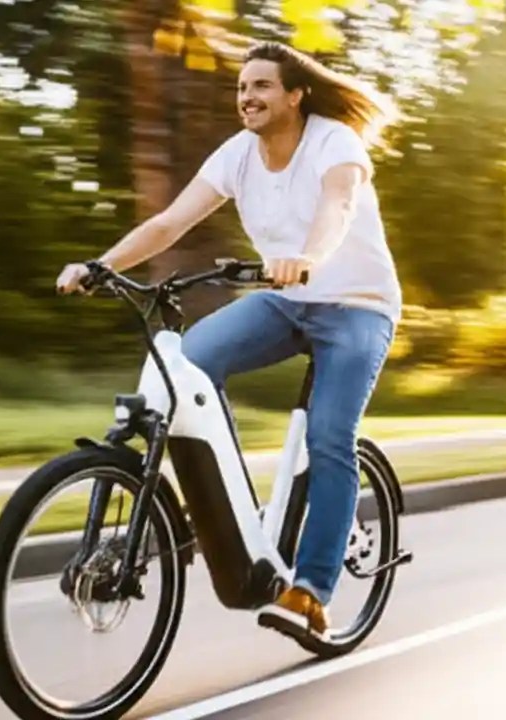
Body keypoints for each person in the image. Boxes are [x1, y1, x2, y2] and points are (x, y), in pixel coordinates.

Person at [56, 40, 402, 643]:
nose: (248, 97)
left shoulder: (333, 142)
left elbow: (338, 204)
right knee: (186, 365)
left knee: (328, 438)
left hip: (356, 308)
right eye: (242, 88)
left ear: (295, 95)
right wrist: (101, 264)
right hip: (287, 302)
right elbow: (170, 223)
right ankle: (229, 507)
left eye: (262, 86)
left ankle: (311, 591)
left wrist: (308, 258)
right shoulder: (238, 155)